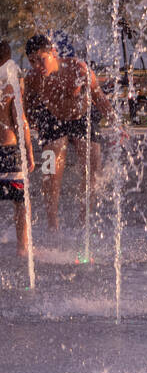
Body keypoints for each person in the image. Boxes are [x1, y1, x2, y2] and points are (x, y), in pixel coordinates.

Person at [22, 33, 118, 231]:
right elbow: (28, 104)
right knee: (49, 171)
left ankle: (84, 221)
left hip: (82, 117)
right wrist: (33, 123)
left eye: (41, 60)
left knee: (93, 166)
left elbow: (99, 98)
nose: (38, 66)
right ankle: (52, 224)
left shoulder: (78, 69)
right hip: (52, 119)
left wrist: (116, 125)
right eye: (32, 62)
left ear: (53, 53)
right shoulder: (32, 78)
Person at [0, 66, 35, 260]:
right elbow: (20, 121)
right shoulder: (10, 87)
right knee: (21, 201)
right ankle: (22, 248)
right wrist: (29, 151)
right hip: (8, 150)